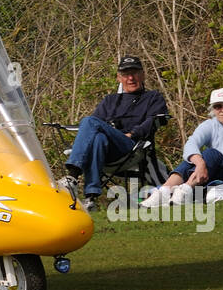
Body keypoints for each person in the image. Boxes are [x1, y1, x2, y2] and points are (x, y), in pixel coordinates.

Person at [59, 55, 168, 211]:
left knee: (89, 121)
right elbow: (93, 128)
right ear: (119, 78)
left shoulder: (153, 97)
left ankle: (72, 176)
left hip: (132, 147)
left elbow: (155, 120)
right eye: (125, 74)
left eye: (134, 73)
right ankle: (90, 199)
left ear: (143, 74)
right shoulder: (110, 100)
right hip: (107, 149)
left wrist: (132, 134)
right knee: (98, 138)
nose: (130, 78)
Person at [153, 88, 223, 202]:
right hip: (216, 171)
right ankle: (164, 191)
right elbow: (191, 144)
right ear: (213, 108)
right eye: (218, 106)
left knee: (211, 153)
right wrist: (200, 163)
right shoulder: (210, 125)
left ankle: (186, 190)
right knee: (193, 158)